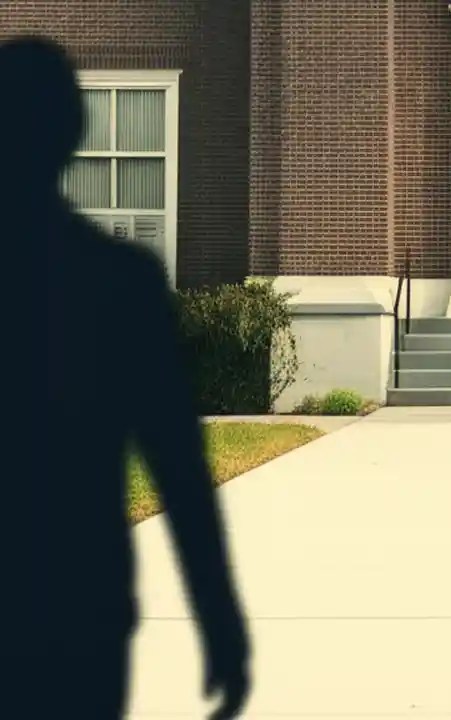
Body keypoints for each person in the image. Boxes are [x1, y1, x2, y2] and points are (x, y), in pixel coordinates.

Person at [0, 37, 251, 718]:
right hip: (81, 607)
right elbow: (178, 468)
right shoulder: (121, 282)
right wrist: (221, 625)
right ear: (73, 134)